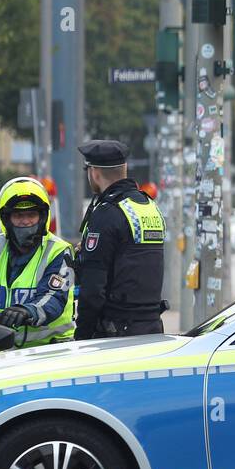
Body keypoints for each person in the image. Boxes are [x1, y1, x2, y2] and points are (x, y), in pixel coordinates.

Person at [74, 139, 167, 339]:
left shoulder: (107, 213)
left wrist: (81, 336)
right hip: (152, 327)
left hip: (116, 334)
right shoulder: (149, 207)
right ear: (124, 168)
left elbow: (93, 290)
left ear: (94, 173)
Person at [0, 177, 75, 347]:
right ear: (6, 219)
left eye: (31, 215)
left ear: (42, 217)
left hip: (50, 349)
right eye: (19, 215)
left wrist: (28, 310)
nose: (25, 221)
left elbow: (53, 297)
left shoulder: (58, 251)